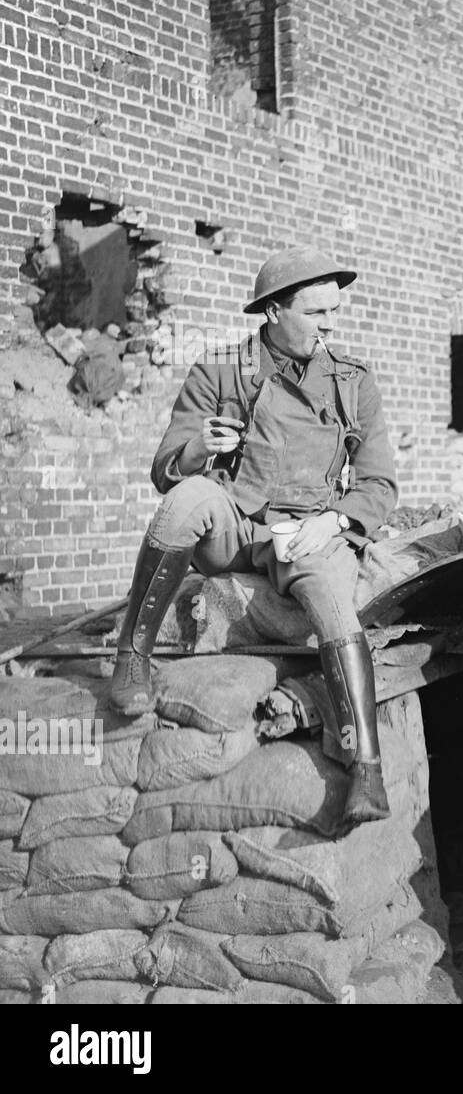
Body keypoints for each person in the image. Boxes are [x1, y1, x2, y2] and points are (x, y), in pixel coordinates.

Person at [108, 246, 399, 827]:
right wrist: (201, 449)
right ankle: (132, 658)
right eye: (316, 313)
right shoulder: (219, 369)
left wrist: (334, 522)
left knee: (334, 607)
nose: (328, 325)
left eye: (333, 312)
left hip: (309, 532)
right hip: (236, 524)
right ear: (273, 313)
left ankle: (365, 766)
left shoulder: (352, 381)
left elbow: (379, 483)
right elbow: (166, 466)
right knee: (186, 499)